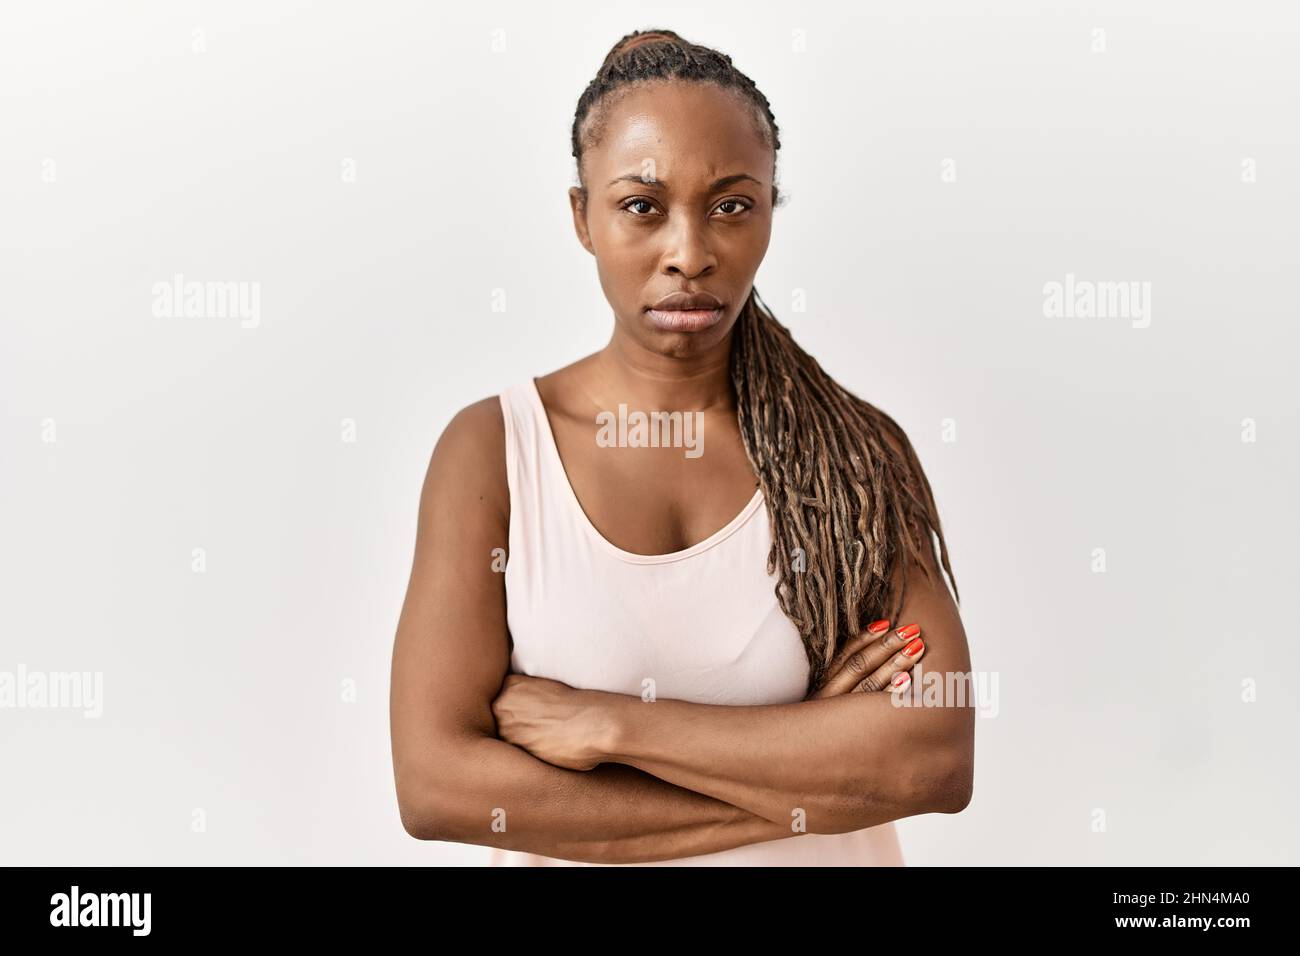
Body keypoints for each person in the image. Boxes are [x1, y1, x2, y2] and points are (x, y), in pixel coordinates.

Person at [389, 28, 974, 865]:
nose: (690, 254)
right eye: (642, 206)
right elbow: (438, 787)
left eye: (733, 205)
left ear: (773, 206)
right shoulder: (495, 451)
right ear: (582, 217)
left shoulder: (850, 455)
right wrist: (818, 777)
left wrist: (613, 726)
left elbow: (934, 761)